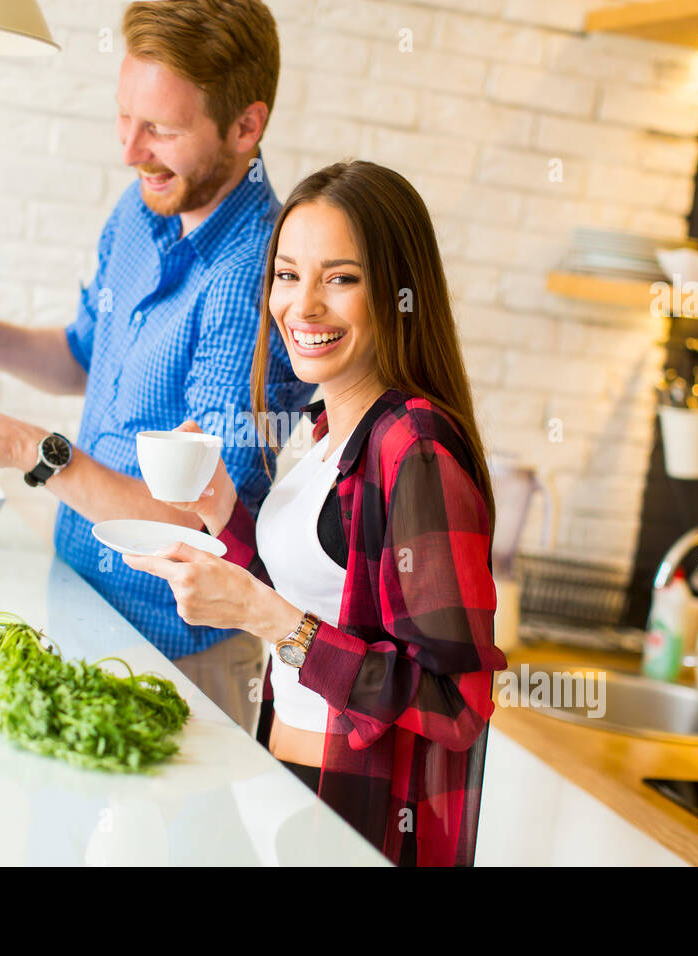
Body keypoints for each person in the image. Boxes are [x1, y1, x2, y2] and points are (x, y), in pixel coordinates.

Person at [0, 0, 312, 733]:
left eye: (162, 131)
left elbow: (194, 520)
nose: (130, 150)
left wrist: (28, 449)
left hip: (182, 652)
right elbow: (86, 354)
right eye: (125, 118)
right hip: (81, 593)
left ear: (246, 127)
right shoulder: (144, 209)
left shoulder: (258, 278)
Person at [123, 161, 507, 867]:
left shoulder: (414, 451)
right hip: (284, 783)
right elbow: (313, 592)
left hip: (360, 821)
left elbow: (458, 703)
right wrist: (221, 509)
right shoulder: (321, 426)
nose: (302, 306)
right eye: (289, 275)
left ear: (399, 293)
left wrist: (265, 618)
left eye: (341, 278)